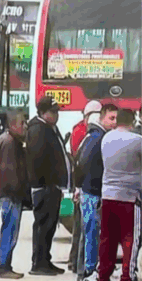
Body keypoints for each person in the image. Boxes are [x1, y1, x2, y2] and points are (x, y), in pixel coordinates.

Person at [95, 108, 142, 281]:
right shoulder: (138, 141)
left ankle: (103, 275)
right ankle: (127, 275)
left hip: (107, 196)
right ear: (133, 121)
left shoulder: (106, 138)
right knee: (130, 239)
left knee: (107, 239)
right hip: (130, 199)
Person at [25, 95, 69, 276]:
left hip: (52, 187)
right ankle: (38, 263)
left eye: (57, 111)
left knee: (50, 226)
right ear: (43, 113)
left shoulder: (49, 127)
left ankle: (45, 260)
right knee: (43, 226)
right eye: (53, 112)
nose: (56, 115)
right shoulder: (37, 130)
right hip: (45, 187)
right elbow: (38, 161)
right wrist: (48, 184)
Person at [74, 103, 118, 281]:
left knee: (88, 234)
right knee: (91, 234)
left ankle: (85, 270)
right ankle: (89, 271)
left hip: (88, 191)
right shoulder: (98, 138)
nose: (114, 123)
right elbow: (83, 163)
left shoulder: (93, 136)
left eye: (116, 119)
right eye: (111, 118)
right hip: (93, 193)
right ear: (102, 118)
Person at [0, 109, 31, 279]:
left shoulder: (8, 140)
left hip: (8, 194)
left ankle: (5, 265)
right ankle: (3, 267)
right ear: (13, 124)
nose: (25, 126)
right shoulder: (9, 143)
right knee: (9, 231)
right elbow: (11, 174)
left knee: (9, 230)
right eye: (22, 123)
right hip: (11, 196)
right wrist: (22, 195)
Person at [69, 100, 103, 274]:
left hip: (82, 187)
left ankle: (78, 265)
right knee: (85, 231)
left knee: (84, 231)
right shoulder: (83, 132)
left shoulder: (88, 133)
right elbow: (79, 159)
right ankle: (79, 266)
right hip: (86, 188)